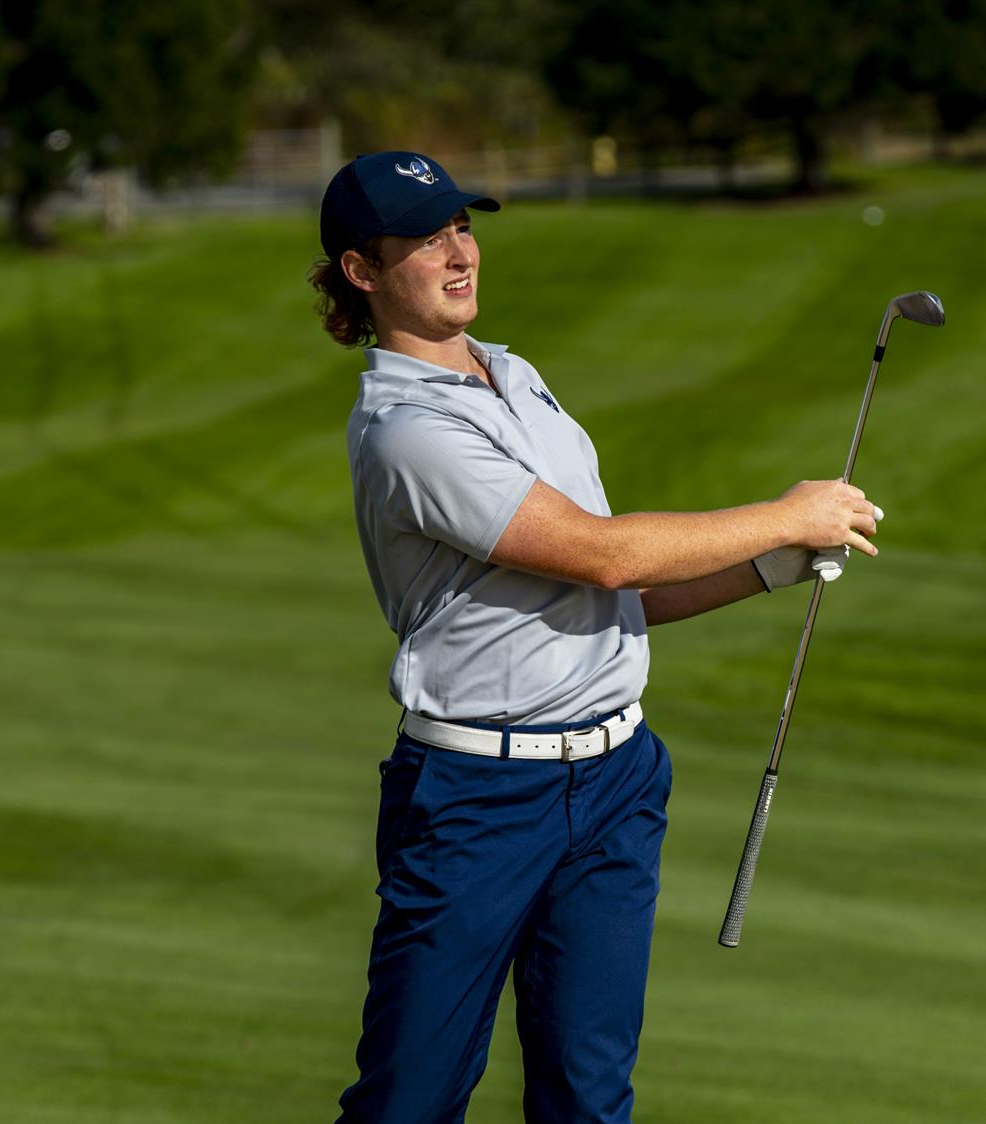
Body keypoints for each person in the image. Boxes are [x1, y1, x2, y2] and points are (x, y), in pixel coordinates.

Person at [314, 151, 879, 1124]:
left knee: (588, 1095)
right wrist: (784, 514)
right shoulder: (406, 429)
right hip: (476, 799)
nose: (457, 254)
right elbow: (600, 553)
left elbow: (619, 594)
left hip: (614, 779)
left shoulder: (514, 373)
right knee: (409, 1099)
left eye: (462, 227)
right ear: (362, 272)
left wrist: (767, 567)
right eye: (422, 239)